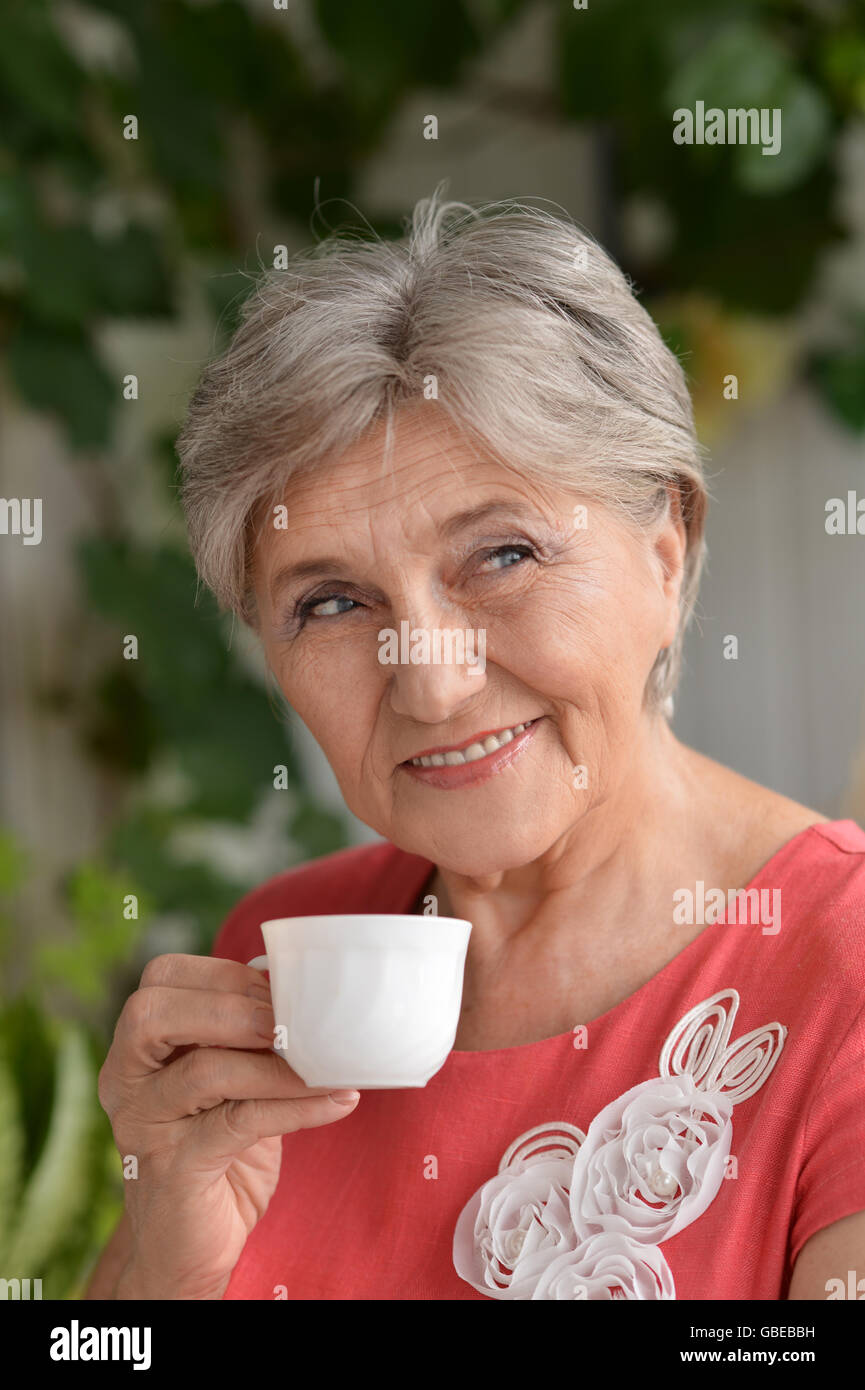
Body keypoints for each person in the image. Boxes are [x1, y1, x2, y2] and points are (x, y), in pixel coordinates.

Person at [86, 191, 865, 1300]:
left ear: (665, 549)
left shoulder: (842, 968)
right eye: (328, 603)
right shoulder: (279, 963)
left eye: (500, 555)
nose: (433, 681)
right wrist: (170, 1265)